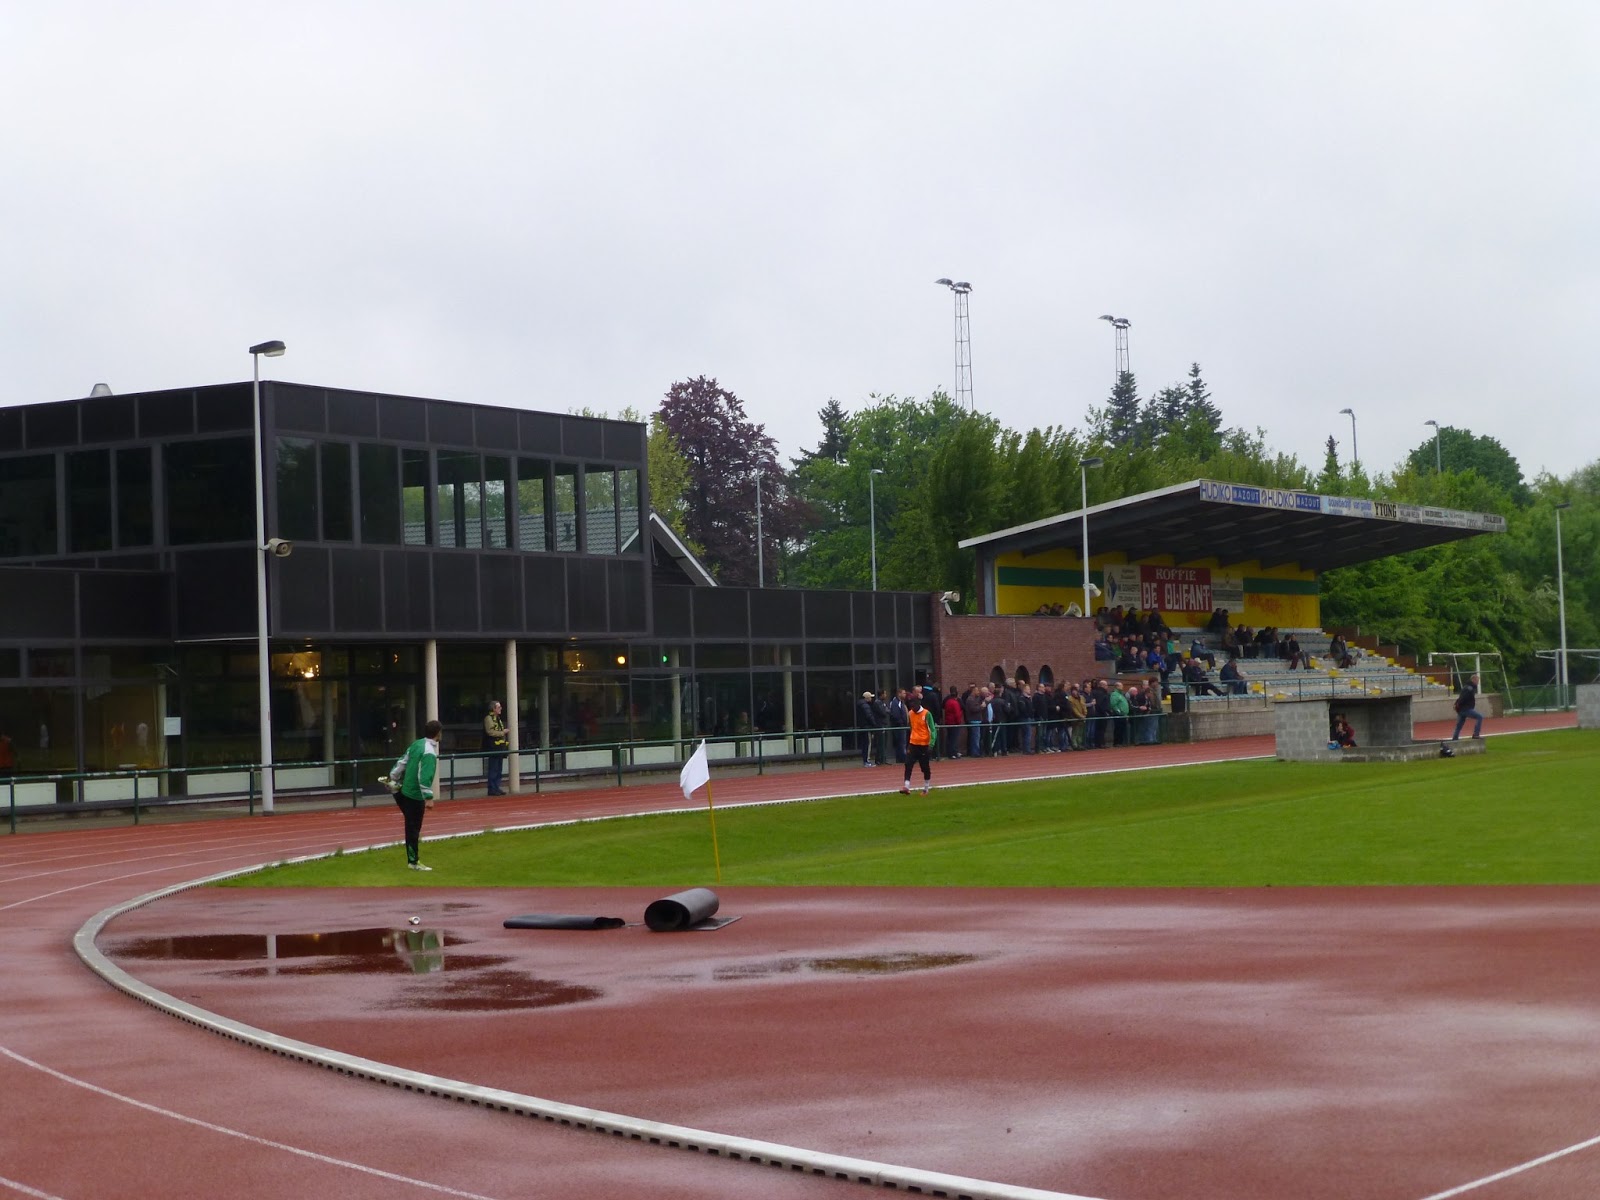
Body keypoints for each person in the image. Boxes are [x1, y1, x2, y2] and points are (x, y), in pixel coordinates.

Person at [389, 719, 441, 871]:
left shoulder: (416, 744)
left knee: (411, 827)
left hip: (405, 791)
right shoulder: (429, 752)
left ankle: (413, 860)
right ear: (438, 733)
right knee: (413, 829)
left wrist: (392, 777)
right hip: (415, 796)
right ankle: (413, 862)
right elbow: (424, 777)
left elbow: (402, 762)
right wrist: (429, 798)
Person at [898, 691, 937, 795]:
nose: (912, 706)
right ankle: (906, 786)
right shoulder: (910, 713)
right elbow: (911, 728)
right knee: (908, 764)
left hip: (924, 745)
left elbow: (932, 730)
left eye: (914, 704)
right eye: (911, 704)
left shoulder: (926, 714)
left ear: (919, 703)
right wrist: (910, 741)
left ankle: (926, 788)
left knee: (924, 767)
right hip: (913, 744)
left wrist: (931, 744)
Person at [482, 700, 509, 795]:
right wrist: (503, 732)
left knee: (498, 769)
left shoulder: (498, 718)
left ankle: (496, 787)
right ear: (493, 709)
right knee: (493, 769)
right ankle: (492, 788)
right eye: (498, 707)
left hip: (499, 748)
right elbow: (490, 732)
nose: (500, 709)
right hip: (493, 747)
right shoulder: (488, 719)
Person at [1452, 673, 1485, 740]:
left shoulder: (1466, 687)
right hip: (1466, 709)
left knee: (1459, 725)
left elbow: (1461, 697)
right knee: (1479, 717)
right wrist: (1460, 704)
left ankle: (1454, 738)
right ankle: (1476, 734)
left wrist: (1457, 705)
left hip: (1461, 709)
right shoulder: (1469, 688)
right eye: (1477, 681)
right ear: (1473, 680)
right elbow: (1463, 698)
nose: (1477, 683)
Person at [855, 691, 881, 766]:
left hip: (863, 726)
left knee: (865, 744)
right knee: (867, 744)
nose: (871, 699)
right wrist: (874, 724)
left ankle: (866, 760)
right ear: (867, 698)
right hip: (866, 727)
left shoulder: (861, 704)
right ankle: (867, 761)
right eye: (870, 697)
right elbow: (869, 716)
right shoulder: (865, 705)